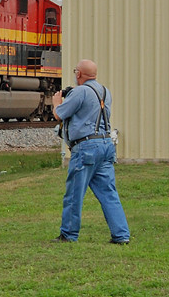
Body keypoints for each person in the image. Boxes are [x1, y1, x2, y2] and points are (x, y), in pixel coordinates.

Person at [50, 59, 130, 244]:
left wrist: (56, 101)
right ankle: (121, 235)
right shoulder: (105, 91)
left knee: (74, 194)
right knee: (109, 192)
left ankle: (69, 235)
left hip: (86, 148)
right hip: (105, 145)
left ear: (78, 74)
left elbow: (59, 114)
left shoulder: (80, 92)